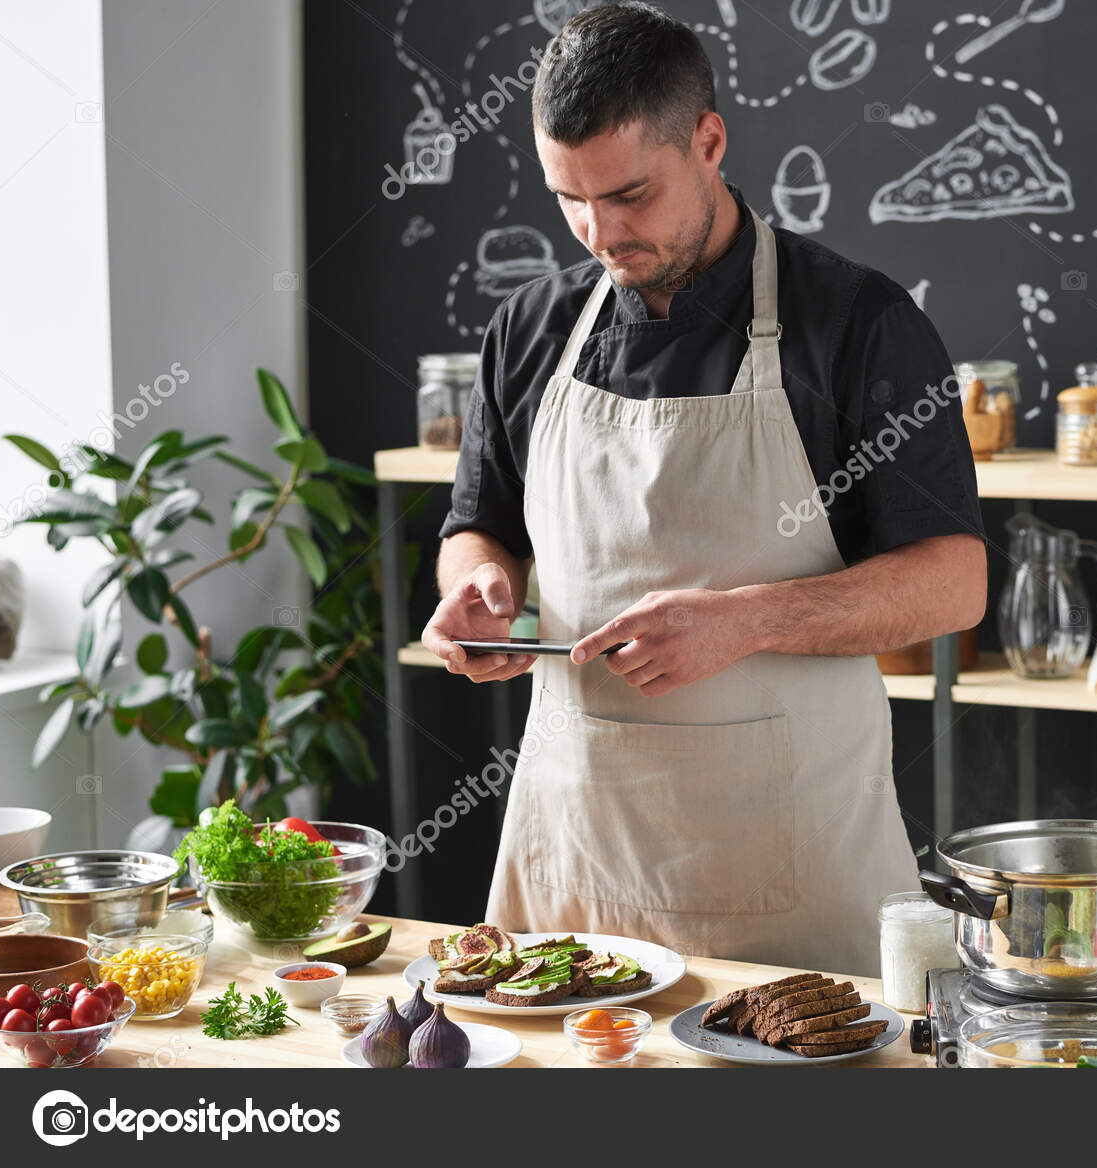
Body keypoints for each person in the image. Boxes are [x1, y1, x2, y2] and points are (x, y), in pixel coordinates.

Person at [422, 2, 985, 975]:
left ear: (709, 140)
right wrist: (477, 589)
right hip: (575, 867)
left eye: (631, 193)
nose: (601, 231)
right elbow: (478, 524)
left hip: (790, 889)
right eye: (569, 199)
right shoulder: (529, 331)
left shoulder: (856, 324)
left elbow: (953, 583)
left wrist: (746, 620)